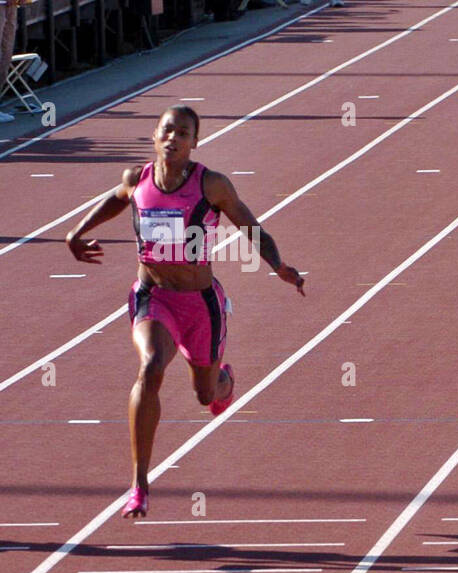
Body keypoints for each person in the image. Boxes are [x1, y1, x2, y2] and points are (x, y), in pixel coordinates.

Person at [65, 105, 305, 518]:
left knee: (204, 393)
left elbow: (250, 226)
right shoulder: (137, 179)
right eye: (167, 131)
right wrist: (77, 233)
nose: (173, 138)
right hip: (152, 295)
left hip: (200, 304)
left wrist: (278, 266)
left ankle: (224, 383)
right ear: (155, 137)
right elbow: (116, 199)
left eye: (183, 133)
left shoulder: (211, 185)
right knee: (151, 366)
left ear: (195, 142)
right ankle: (139, 484)